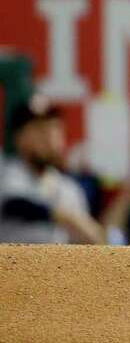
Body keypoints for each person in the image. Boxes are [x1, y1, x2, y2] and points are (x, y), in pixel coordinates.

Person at [0, 95, 104, 244]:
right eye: (40, 129)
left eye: (54, 128)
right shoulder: (6, 171)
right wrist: (63, 216)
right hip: (10, 265)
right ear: (19, 138)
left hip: (55, 265)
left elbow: (85, 239)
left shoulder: (69, 189)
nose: (49, 137)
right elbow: (14, 205)